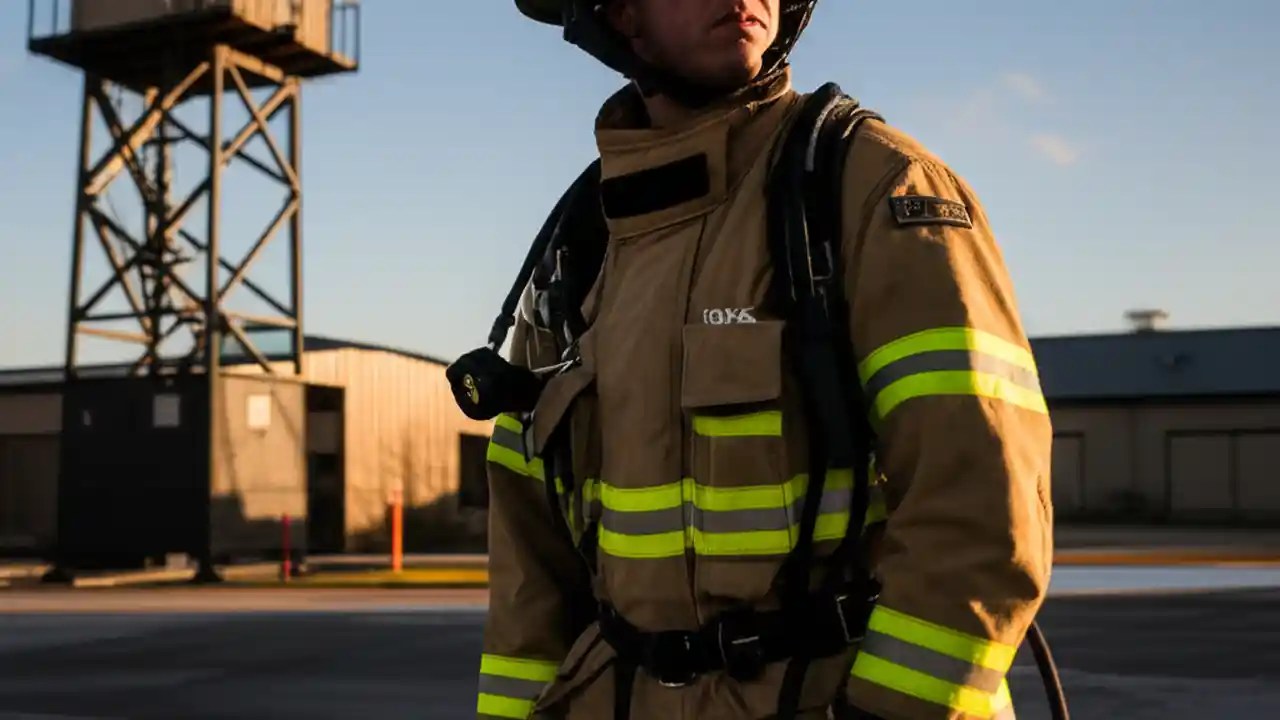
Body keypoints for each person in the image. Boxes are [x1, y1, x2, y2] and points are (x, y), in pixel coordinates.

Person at [474, 1, 1054, 718]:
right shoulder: (580, 247)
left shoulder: (876, 186)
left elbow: (980, 504)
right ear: (620, 14)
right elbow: (530, 556)